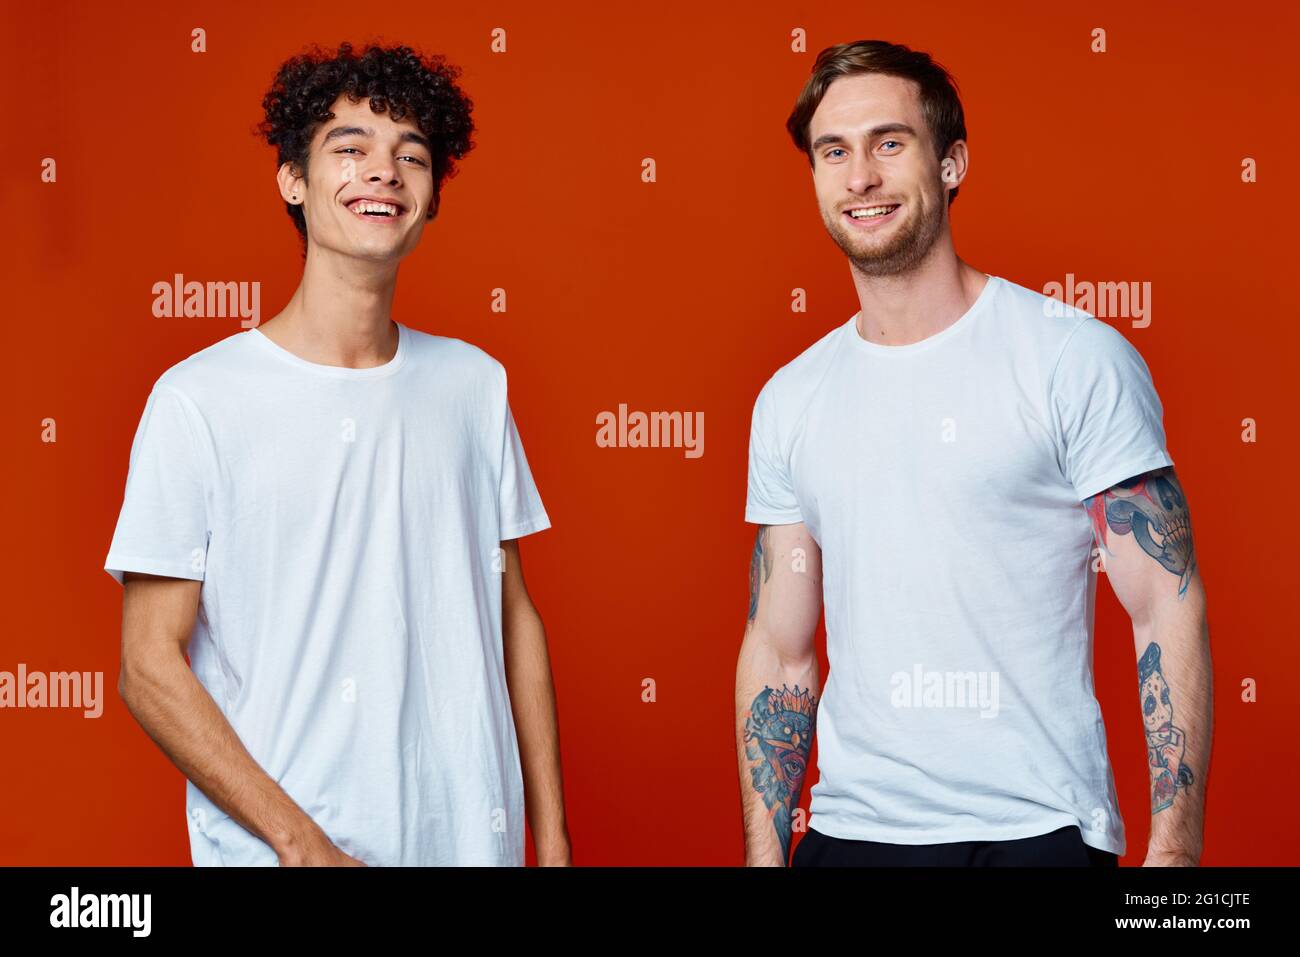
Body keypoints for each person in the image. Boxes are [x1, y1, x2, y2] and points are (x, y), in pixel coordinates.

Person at [734, 40, 1211, 867]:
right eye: (833, 152)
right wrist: (765, 859)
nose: (861, 178)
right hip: (852, 836)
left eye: (890, 143)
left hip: (1037, 832)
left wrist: (1174, 856)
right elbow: (782, 648)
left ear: (951, 163)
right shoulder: (791, 398)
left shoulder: (1072, 359)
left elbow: (1165, 603)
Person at [105, 42, 570, 866]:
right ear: (293, 179)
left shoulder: (475, 385)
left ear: (431, 196)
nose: (382, 171)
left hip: (468, 843)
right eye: (349, 148)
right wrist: (302, 844)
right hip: (282, 854)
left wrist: (555, 841)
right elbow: (148, 665)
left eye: (410, 155)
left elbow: (514, 617)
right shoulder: (197, 400)